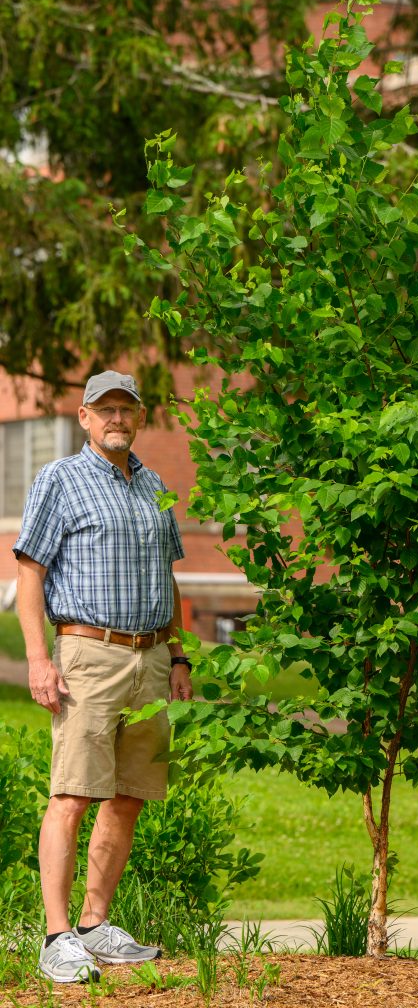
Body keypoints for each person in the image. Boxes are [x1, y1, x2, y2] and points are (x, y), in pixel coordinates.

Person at [13, 370, 193, 984]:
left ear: (139, 419)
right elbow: (30, 576)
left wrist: (180, 657)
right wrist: (40, 659)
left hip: (150, 660)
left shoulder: (154, 486)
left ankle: (96, 924)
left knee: (128, 795)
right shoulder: (59, 480)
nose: (117, 418)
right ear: (85, 418)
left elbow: (169, 580)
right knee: (72, 794)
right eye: (105, 409)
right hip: (87, 655)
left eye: (127, 409)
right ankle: (57, 936)